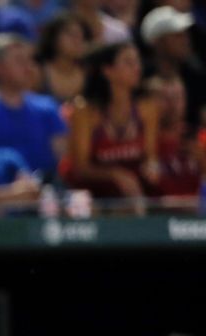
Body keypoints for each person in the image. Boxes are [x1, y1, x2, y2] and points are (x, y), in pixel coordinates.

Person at [61, 42, 160, 207]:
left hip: (131, 191)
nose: (137, 68)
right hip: (88, 195)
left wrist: (152, 166)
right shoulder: (84, 111)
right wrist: (115, 175)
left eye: (137, 61)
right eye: (128, 62)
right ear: (108, 71)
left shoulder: (147, 108)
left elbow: (150, 155)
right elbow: (81, 168)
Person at [0, 33, 68, 176]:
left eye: (30, 60)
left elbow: (62, 158)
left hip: (46, 189)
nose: (29, 68)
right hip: (2, 191)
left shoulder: (47, 107)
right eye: (19, 61)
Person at [141, 6, 206, 131]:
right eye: (177, 36)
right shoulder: (140, 77)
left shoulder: (195, 74)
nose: (186, 40)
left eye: (185, 35)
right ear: (158, 42)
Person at [145, 75, 201, 200]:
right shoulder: (143, 141)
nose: (172, 104)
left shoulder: (199, 136)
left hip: (197, 214)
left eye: (177, 98)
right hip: (158, 214)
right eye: (165, 98)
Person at [35, 13, 88, 105]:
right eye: (71, 35)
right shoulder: (38, 72)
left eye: (81, 36)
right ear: (53, 38)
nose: (77, 41)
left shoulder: (89, 71)